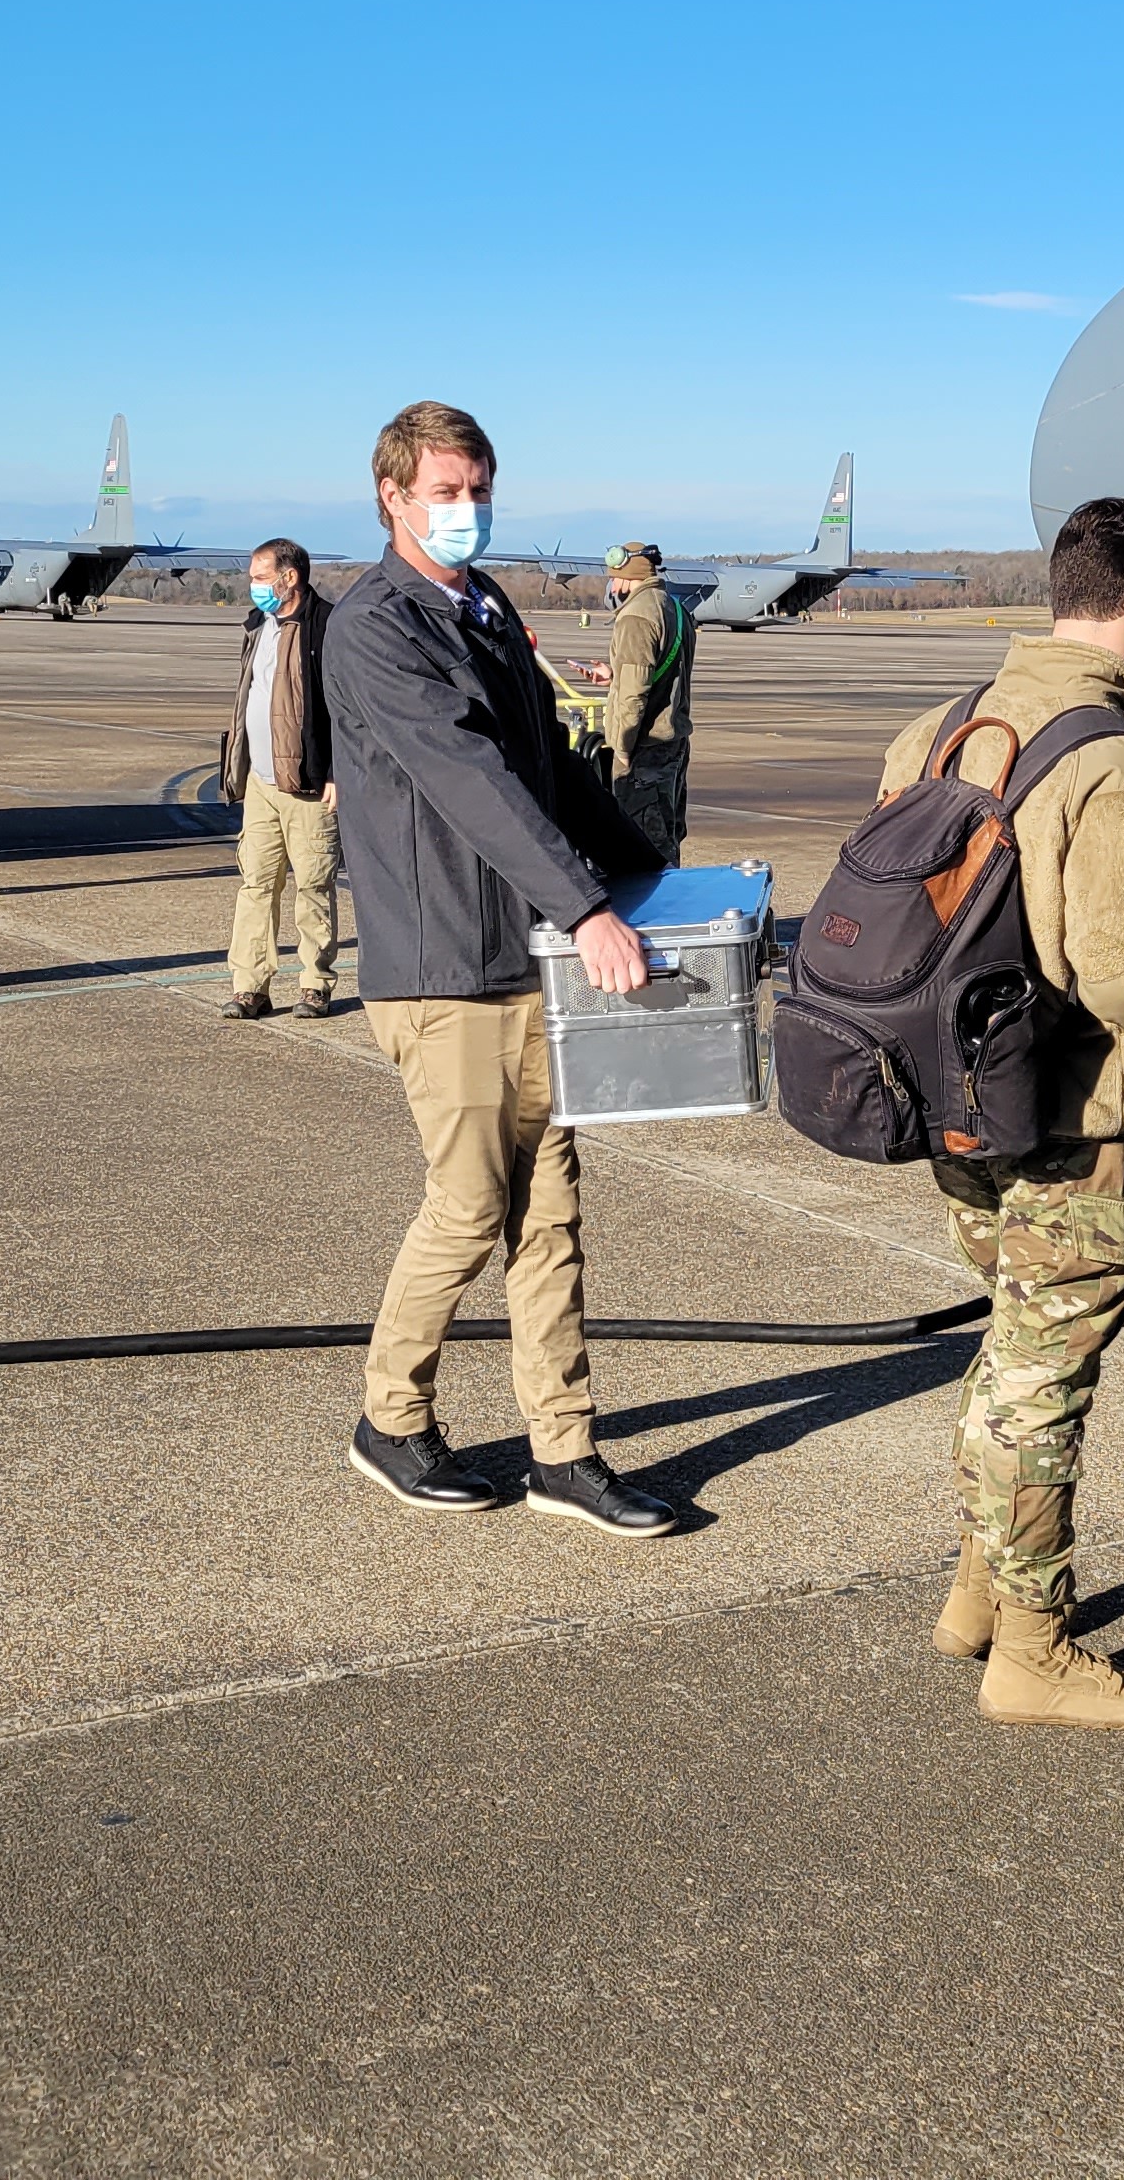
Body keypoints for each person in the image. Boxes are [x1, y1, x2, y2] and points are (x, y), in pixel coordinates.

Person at [877, 493, 1124, 1730]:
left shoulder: (935, 733)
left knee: (1010, 1359)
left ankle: (978, 1594)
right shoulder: (1109, 759)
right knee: (1039, 1386)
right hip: (1071, 1134)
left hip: (958, 1120)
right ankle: (1034, 1652)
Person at [327, 400, 673, 1540]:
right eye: (445, 492)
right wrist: (585, 911)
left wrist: (652, 880)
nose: (467, 509)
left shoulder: (482, 609)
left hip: (524, 963)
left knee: (550, 1220)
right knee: (471, 1206)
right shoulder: (378, 625)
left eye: (478, 489)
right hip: (440, 970)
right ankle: (390, 1418)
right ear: (393, 496)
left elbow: (552, 774)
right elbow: (466, 773)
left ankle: (563, 1450)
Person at [221, 537, 340, 1019]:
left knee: (313, 884)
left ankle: (315, 984)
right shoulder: (259, 626)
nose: (253, 587)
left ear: (289, 577)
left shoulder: (329, 627)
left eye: (260, 577)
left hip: (309, 786)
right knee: (256, 884)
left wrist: (336, 771)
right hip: (261, 783)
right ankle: (250, 986)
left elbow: (347, 710)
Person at [593, 542, 695, 866]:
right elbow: (664, 673)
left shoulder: (636, 616)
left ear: (624, 577)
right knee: (669, 839)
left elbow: (634, 695)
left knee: (645, 852)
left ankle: (656, 916)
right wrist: (613, 676)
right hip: (674, 744)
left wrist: (621, 748)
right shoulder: (676, 609)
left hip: (645, 750)